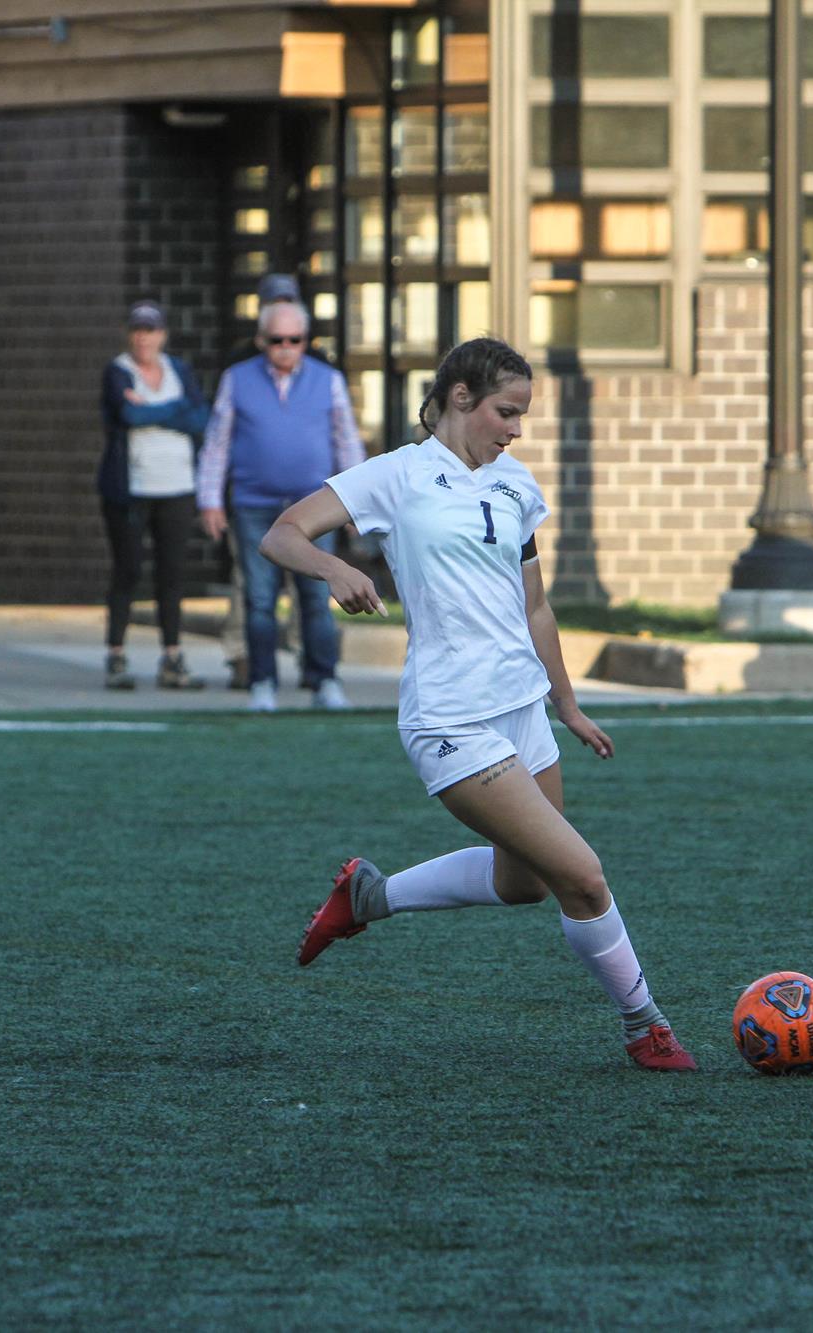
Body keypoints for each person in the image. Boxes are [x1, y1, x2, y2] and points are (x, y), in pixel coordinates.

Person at [268, 337, 696, 1072]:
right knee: (583, 875)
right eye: (506, 411)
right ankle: (644, 1023)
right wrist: (335, 565)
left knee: (524, 881)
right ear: (460, 398)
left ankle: (369, 896)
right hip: (450, 717)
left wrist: (567, 704)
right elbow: (282, 533)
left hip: (522, 708)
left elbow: (534, 605)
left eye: (523, 414)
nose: (515, 429)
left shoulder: (516, 485)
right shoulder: (396, 475)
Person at [196, 297, 362, 713]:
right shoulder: (237, 379)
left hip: (316, 507)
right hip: (254, 504)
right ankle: (263, 682)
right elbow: (217, 442)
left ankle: (324, 679)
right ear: (260, 341)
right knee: (259, 599)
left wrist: (358, 503)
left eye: (295, 339)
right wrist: (210, 499)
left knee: (317, 596)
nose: (286, 347)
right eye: (276, 340)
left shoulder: (328, 380)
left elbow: (346, 442)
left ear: (306, 340)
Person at [98, 300, 209, 690]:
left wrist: (157, 408)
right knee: (128, 569)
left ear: (163, 334)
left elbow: (200, 418)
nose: (144, 337)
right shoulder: (118, 372)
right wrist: (174, 410)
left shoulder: (179, 370)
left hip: (176, 486)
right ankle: (115, 653)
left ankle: (173, 656)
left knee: (172, 574)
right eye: (138, 330)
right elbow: (129, 416)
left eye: (151, 330)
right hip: (131, 489)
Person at [218, 274, 306, 690]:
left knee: (309, 577)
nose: (285, 347)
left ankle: (308, 655)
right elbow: (219, 431)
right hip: (253, 494)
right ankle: (242, 654)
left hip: (307, 494)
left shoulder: (315, 361)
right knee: (249, 581)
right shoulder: (241, 361)